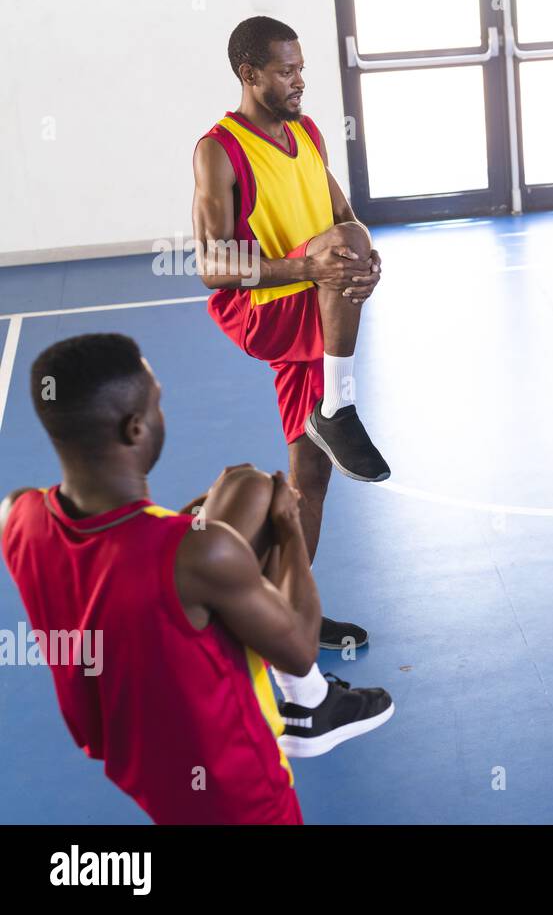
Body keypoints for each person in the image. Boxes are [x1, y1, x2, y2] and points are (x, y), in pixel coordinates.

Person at [1, 334, 394, 822]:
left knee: (245, 487)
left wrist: (188, 524)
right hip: (234, 791)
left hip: (132, 753)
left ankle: (312, 702)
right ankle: (306, 704)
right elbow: (297, 646)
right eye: (158, 403)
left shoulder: (18, 514)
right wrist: (290, 528)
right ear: (135, 429)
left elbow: (113, 560)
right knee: (259, 501)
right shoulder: (195, 554)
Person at [192, 15, 387, 651]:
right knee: (338, 250)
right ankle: (340, 404)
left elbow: (342, 214)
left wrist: (366, 256)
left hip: (311, 304)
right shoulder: (219, 148)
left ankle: (288, 613)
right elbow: (212, 265)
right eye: (286, 70)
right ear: (250, 75)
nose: (300, 81)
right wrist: (313, 265)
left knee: (309, 478)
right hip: (263, 306)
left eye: (302, 67)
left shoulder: (306, 132)